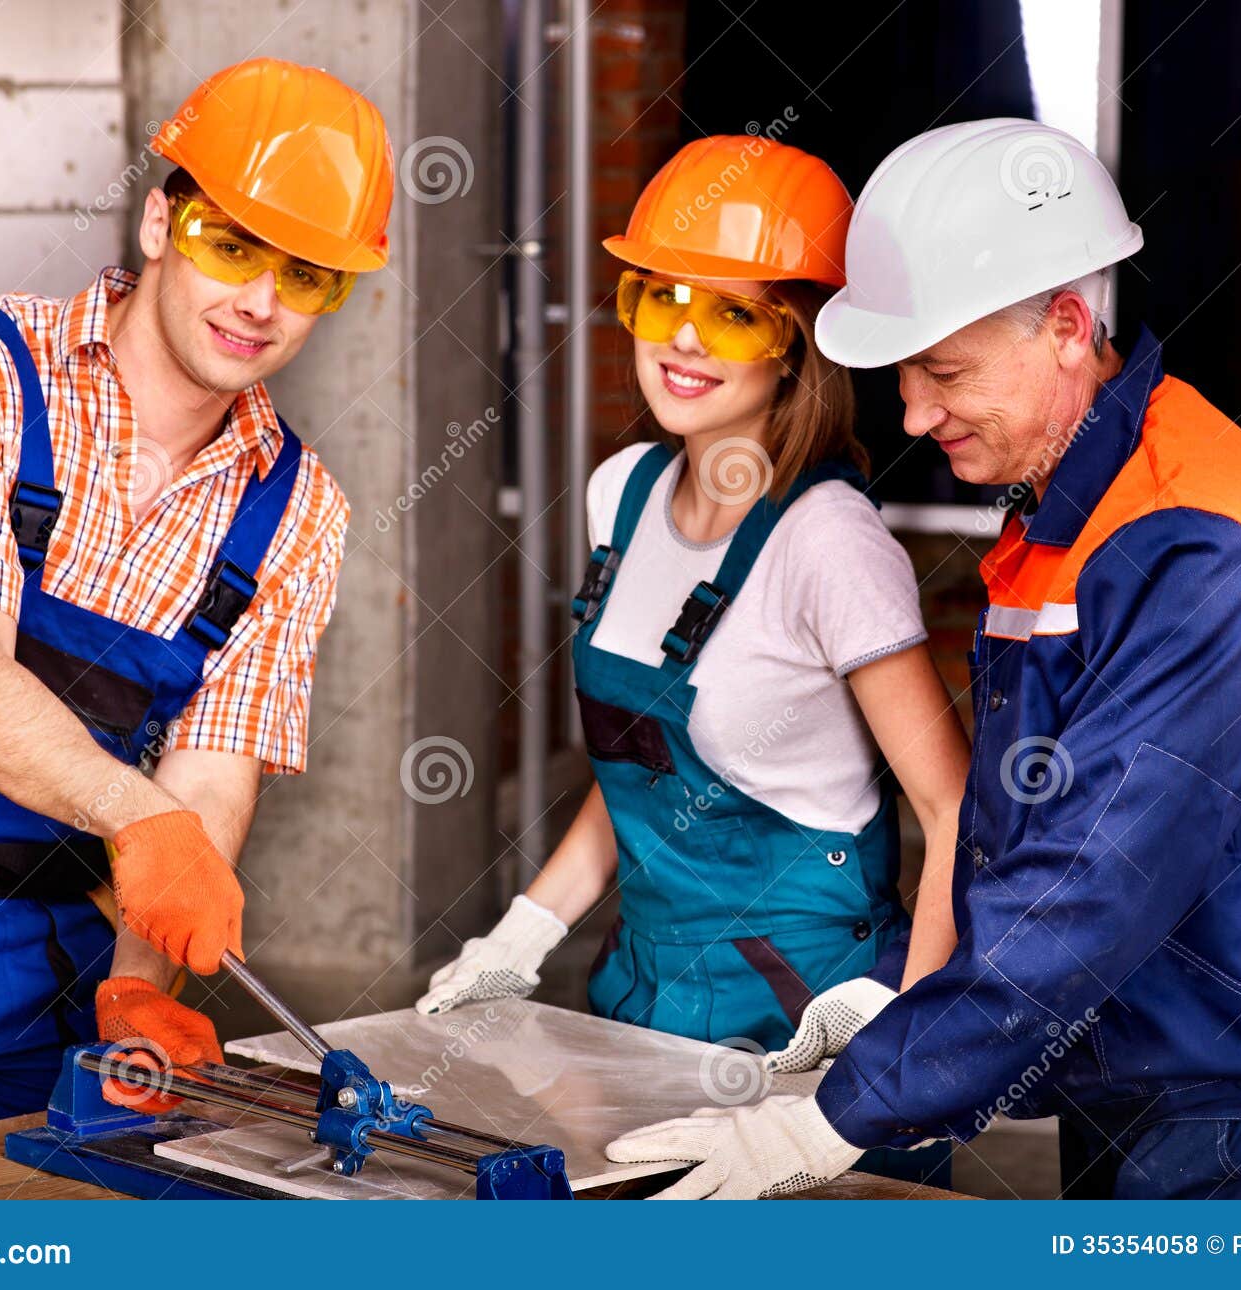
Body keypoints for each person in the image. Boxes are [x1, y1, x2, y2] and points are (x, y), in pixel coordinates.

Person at [606, 119, 1241, 1200]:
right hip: (1136, 1049)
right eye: (904, 379)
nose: (917, 416)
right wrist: (903, 993)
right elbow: (1030, 827)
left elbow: (1093, 880)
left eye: (945, 373)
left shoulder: (1192, 543)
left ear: (1066, 327)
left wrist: (848, 1110)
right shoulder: (1068, 507)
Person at [0, 58, 393, 1163]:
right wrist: (143, 824)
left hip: (58, 962)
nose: (260, 302)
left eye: (307, 275)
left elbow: (208, 777)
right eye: (232, 246)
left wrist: (134, 986)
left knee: (40, 1228)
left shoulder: (299, 509)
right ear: (161, 222)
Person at [416, 135, 971, 1185]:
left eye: (732, 313)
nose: (682, 337)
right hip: (640, 988)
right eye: (658, 295)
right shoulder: (618, 493)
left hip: (805, 1013)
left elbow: (950, 810)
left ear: (797, 344)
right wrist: (525, 930)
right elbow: (641, 766)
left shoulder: (828, 542)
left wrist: (904, 1040)